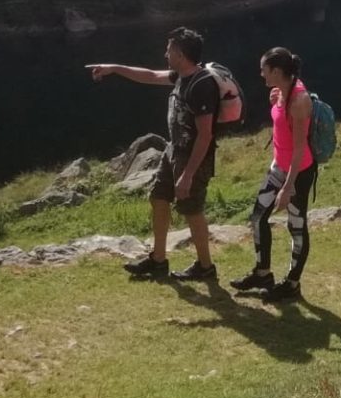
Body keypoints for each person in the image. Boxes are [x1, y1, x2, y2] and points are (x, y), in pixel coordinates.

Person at [87, 27, 219, 282]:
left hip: (192, 157)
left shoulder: (201, 85)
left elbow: (205, 135)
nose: (165, 54)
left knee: (191, 209)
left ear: (180, 54)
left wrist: (188, 175)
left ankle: (206, 267)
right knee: (158, 198)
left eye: (169, 50)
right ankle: (158, 260)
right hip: (174, 150)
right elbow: (148, 75)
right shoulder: (180, 76)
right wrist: (114, 68)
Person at [231, 47, 316, 301]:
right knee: (258, 217)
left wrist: (288, 188)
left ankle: (292, 284)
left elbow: (299, 148)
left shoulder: (299, 100)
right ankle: (263, 273)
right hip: (278, 166)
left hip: (298, 172)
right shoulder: (283, 91)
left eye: (264, 70)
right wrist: (275, 101)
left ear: (277, 71)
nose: (261, 74)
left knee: (296, 225)